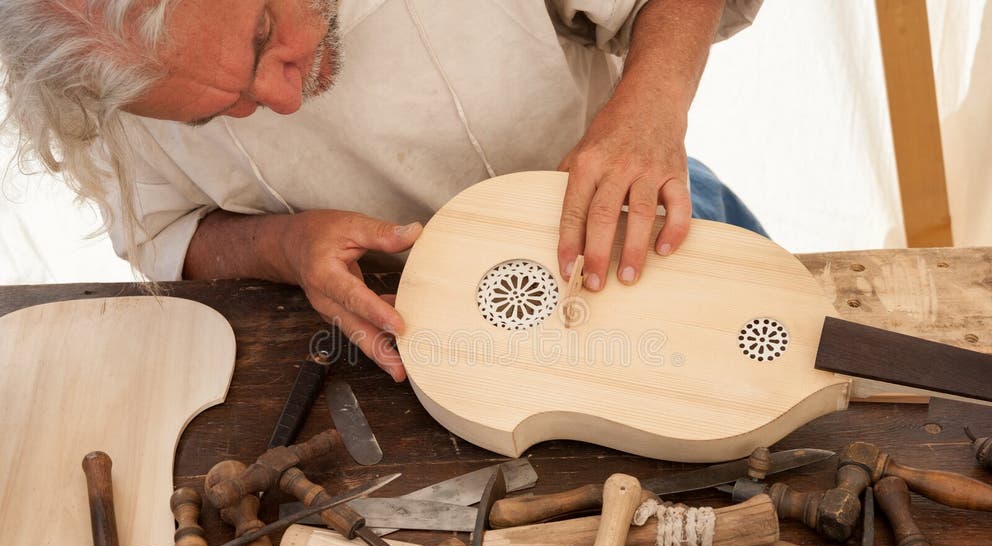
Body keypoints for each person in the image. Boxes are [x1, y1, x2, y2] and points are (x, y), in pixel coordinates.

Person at [0, 0, 763, 381]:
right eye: (221, 111)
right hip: (422, 356)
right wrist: (283, 245)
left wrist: (652, 104)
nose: (285, 99)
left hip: (630, 235)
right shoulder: (97, 89)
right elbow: (166, 235)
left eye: (265, 33)